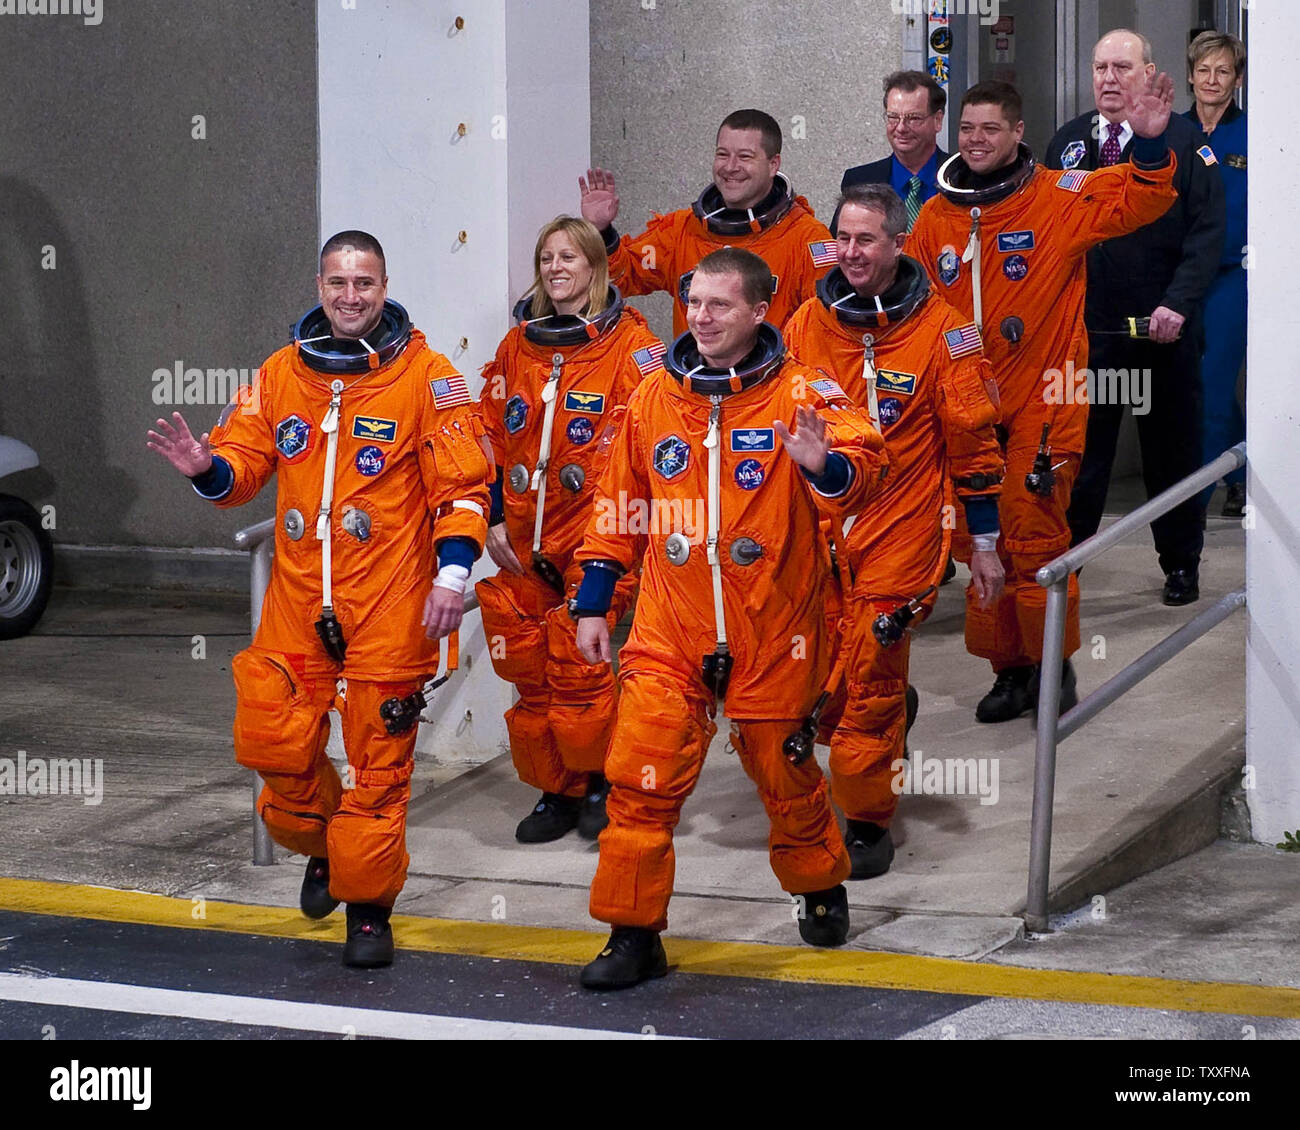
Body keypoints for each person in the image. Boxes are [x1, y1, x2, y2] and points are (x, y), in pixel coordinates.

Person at [146, 232, 490, 968]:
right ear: (319, 285)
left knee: (378, 767)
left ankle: (368, 910)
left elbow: (463, 491)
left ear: (385, 284)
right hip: (300, 599)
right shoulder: (280, 374)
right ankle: (327, 846)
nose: (350, 296)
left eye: (364, 283)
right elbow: (241, 469)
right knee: (274, 746)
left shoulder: (428, 378)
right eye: (337, 282)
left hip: (390, 604)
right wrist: (207, 466)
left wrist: (451, 578)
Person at [569, 248, 890, 990]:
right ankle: (633, 933)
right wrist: (594, 601)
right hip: (669, 629)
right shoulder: (654, 397)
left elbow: (866, 465)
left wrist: (824, 466)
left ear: (757, 311)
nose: (702, 318)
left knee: (785, 774)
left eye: (720, 305)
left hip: (774, 626)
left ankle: (817, 884)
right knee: (639, 782)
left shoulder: (802, 390)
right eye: (694, 303)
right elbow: (618, 508)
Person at [906, 78, 1178, 723]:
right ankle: (1010, 669)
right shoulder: (937, 217)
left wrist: (1149, 140)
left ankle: (1052, 667)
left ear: (1018, 133)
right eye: (968, 129)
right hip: (968, 409)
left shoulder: (1056, 196)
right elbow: (913, 302)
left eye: (990, 130)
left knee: (1033, 537)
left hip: (1043, 400)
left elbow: (1140, 200)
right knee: (981, 542)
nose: (975, 140)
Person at [783, 184, 1004, 876]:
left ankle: (869, 820)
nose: (849, 252)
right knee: (822, 682)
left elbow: (973, 445)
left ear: (898, 245)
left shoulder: (945, 332)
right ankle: (880, 737)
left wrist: (987, 544)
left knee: (871, 678)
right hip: (820, 533)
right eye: (841, 238)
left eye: (865, 239)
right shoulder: (803, 328)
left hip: (903, 528)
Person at [474, 217, 662, 844]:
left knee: (585, 668)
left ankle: (605, 780)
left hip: (598, 537)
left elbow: (655, 442)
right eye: (547, 257)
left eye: (570, 257)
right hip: (525, 539)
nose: (557, 268)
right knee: (531, 675)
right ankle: (556, 789)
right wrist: (494, 512)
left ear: (595, 267)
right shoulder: (517, 347)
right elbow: (488, 435)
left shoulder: (634, 347)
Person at [1049, 29, 1224, 607]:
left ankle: (1180, 563)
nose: (1108, 79)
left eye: (1122, 67)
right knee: (1082, 456)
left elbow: (1207, 235)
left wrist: (1177, 303)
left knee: (1170, 455)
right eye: (1100, 67)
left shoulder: (1184, 141)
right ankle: (1067, 564)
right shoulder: (1070, 142)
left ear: (1150, 73)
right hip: (1089, 335)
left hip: (1163, 332)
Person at [578, 109, 835, 334]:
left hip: (774, 384)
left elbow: (823, 329)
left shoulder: (807, 239)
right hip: (694, 382)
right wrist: (601, 231)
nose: (730, 167)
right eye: (723, 154)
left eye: (745, 157)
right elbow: (622, 275)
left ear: (773, 164)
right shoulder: (681, 230)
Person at [1185, 30, 1248, 519]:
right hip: (1180, 280)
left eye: (1222, 71)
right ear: (1190, 76)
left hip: (1231, 277)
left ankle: (1196, 497)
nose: (1212, 79)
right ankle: (1239, 473)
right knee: (1194, 384)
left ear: (1238, 80)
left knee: (1215, 378)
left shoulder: (1253, 134)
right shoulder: (1172, 132)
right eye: (1204, 70)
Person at [839, 71, 950, 233]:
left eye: (913, 118)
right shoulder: (859, 181)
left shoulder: (962, 178)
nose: (901, 128)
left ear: (937, 120)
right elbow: (841, 248)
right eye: (893, 117)